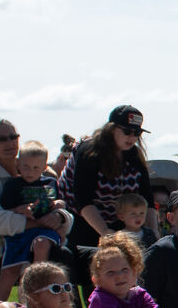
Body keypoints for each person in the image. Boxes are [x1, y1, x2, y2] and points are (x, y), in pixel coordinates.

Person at [0, 118, 77, 286]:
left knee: (84, 257)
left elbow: (61, 206)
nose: (10, 142)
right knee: (62, 259)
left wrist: (60, 216)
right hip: (6, 252)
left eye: (14, 136)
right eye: (2, 139)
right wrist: (38, 223)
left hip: (43, 242)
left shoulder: (42, 172)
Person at [66, 106, 154, 251]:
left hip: (119, 218)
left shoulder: (135, 156)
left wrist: (153, 231)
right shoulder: (90, 152)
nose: (132, 137)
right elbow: (83, 200)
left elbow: (147, 197)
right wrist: (106, 233)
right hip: (83, 220)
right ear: (112, 129)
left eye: (137, 133)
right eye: (127, 132)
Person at [0, 140, 69, 297]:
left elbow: (60, 204)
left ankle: (39, 280)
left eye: (36, 168)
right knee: (8, 272)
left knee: (41, 244)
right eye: (26, 166)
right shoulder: (13, 185)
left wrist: (60, 205)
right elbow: (4, 210)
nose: (30, 172)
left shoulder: (51, 183)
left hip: (45, 230)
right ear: (18, 163)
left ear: (44, 167)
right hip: (21, 232)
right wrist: (19, 210)